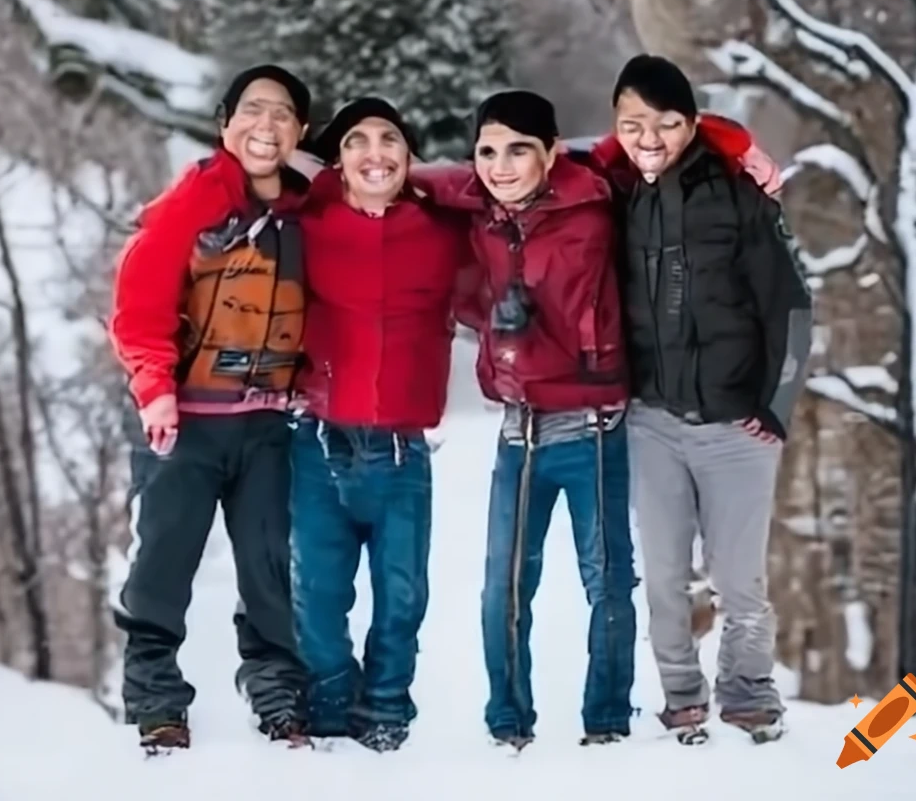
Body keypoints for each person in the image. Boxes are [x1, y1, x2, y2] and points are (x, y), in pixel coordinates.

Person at [413, 90, 637, 750]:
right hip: (520, 432)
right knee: (501, 592)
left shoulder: (599, 200)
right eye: (487, 151)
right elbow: (401, 175)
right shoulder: (478, 213)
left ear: (549, 149)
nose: (501, 165)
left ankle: (607, 723)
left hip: (595, 427)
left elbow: (666, 133)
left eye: (518, 150)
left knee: (609, 583)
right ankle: (508, 723)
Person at [598, 55, 812, 744]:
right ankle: (682, 696)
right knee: (662, 575)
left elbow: (793, 309)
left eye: (666, 123)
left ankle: (748, 692)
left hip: (735, 425)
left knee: (738, 579)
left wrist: (775, 408)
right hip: (652, 421)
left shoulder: (738, 195)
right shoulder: (619, 193)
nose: (649, 138)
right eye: (633, 125)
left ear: (691, 124)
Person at [108, 65, 313, 752]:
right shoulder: (193, 201)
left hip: (266, 423)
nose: (266, 125)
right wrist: (154, 387)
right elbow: (138, 306)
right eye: (251, 111)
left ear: (300, 132)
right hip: (185, 421)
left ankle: (277, 691)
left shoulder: (307, 209)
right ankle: (157, 700)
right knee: (163, 565)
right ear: (226, 125)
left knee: (269, 566)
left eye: (282, 113)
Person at [290, 97, 469, 752]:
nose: (375, 153)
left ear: (410, 156)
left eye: (390, 139)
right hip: (316, 442)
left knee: (401, 600)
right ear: (335, 160)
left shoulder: (442, 229)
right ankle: (333, 708)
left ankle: (387, 711)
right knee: (317, 597)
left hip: (399, 452)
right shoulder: (307, 221)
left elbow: (506, 179)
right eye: (358, 141)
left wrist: (426, 179)